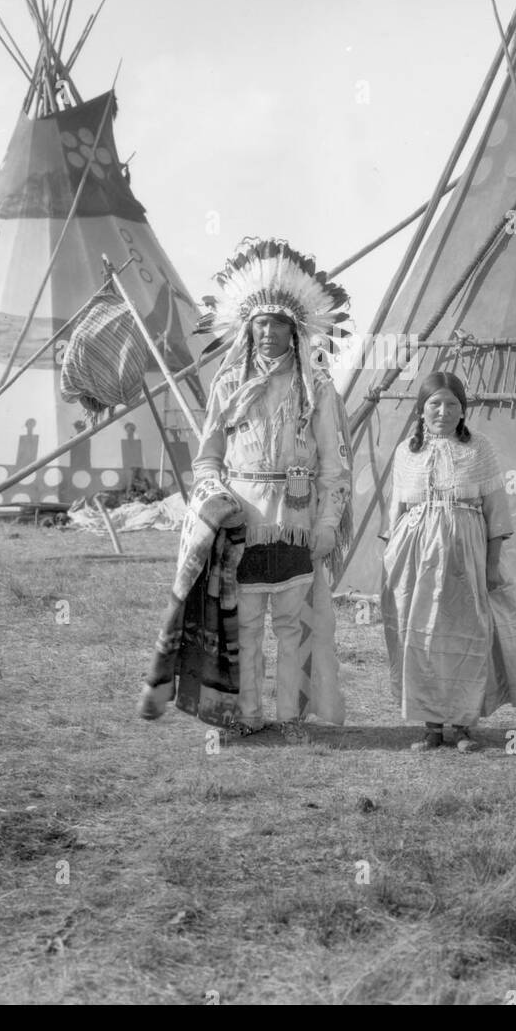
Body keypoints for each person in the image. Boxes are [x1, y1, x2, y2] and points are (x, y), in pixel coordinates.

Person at [191, 238, 353, 742]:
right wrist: (215, 500)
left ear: (295, 331)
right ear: (247, 328)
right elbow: (207, 459)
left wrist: (327, 523)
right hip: (241, 523)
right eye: (260, 323)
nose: (267, 332)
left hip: (297, 522)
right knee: (243, 626)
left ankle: (291, 717)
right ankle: (246, 714)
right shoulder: (227, 386)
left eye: (278, 323)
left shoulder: (316, 387)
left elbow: (334, 464)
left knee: (294, 625)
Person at [381, 370, 516, 751]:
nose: (442, 411)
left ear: (463, 410)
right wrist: (391, 561)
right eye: (434, 404)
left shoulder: (479, 449)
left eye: (451, 404)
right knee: (421, 637)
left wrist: (491, 567)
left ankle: (461, 727)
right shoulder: (406, 452)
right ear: (421, 410)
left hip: (465, 553)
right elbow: (395, 512)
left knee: (465, 635)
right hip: (415, 555)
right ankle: (431, 726)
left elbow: (497, 514)